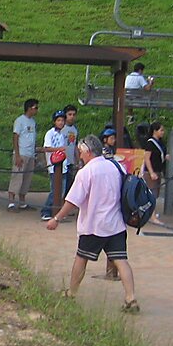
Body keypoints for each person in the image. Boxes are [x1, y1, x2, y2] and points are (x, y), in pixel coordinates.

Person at [46, 134, 140, 313]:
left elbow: (73, 200)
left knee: (81, 258)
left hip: (93, 225)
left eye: (81, 152)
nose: (80, 156)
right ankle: (131, 297)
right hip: (116, 224)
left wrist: (56, 218)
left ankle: (72, 293)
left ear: (88, 151)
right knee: (121, 260)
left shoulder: (86, 172)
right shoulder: (116, 166)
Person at [9, 98, 38, 211]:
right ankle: (11, 202)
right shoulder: (20, 121)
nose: (36, 110)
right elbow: (15, 137)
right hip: (21, 153)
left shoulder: (33, 122)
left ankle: (22, 202)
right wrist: (17, 155)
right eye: (35, 108)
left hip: (30, 154)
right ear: (29, 108)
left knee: (27, 178)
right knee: (17, 176)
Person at [40, 110, 69, 221]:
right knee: (55, 189)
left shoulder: (62, 134)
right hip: (53, 166)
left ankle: (56, 212)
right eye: (58, 120)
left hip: (63, 165)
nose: (61, 123)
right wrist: (59, 149)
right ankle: (46, 210)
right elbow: (47, 148)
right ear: (54, 122)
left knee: (61, 190)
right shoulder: (50, 133)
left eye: (62, 120)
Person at [145, 122, 167, 223]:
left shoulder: (161, 143)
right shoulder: (150, 143)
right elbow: (147, 158)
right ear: (155, 131)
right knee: (151, 194)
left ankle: (151, 214)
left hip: (158, 170)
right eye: (161, 130)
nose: (163, 132)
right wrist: (151, 172)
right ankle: (152, 216)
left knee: (155, 193)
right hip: (151, 172)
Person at [61, 105, 79, 190]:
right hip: (61, 162)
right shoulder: (61, 128)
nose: (72, 117)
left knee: (69, 187)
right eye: (69, 114)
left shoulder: (75, 129)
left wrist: (78, 160)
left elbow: (75, 145)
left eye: (74, 114)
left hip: (70, 162)